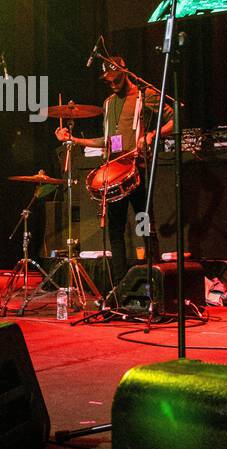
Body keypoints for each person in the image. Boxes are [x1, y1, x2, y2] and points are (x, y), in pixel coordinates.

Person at [54, 56, 174, 294]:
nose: (113, 84)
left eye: (116, 79)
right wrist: (74, 139)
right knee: (115, 230)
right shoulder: (108, 103)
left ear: (125, 73)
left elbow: (173, 118)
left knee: (144, 225)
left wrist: (151, 135)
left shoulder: (144, 95)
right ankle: (120, 286)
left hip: (137, 171)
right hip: (115, 173)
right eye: (108, 81)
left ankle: (155, 280)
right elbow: (106, 142)